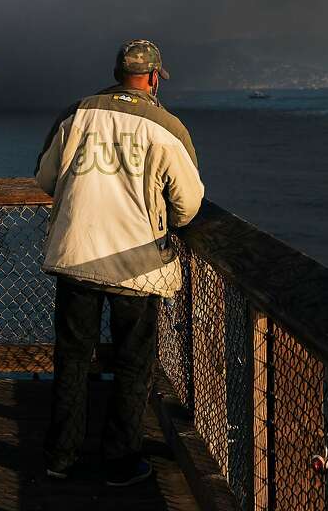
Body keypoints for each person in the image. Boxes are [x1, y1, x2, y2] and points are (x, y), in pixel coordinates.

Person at [34, 39, 204, 486]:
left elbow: (46, 177)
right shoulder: (167, 127)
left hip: (77, 256)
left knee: (72, 358)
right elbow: (188, 205)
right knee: (132, 362)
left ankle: (61, 457)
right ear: (152, 78)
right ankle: (121, 461)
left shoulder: (77, 114)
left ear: (116, 72)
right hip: (136, 265)